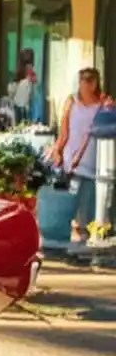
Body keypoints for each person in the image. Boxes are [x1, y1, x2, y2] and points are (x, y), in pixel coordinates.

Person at [49, 68, 115, 242]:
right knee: (72, 200)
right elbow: (64, 131)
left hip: (94, 162)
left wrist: (110, 109)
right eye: (80, 80)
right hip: (73, 161)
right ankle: (73, 236)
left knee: (88, 204)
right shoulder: (72, 101)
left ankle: (84, 237)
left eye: (86, 81)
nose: (82, 84)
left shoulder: (103, 103)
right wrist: (58, 150)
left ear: (94, 83)